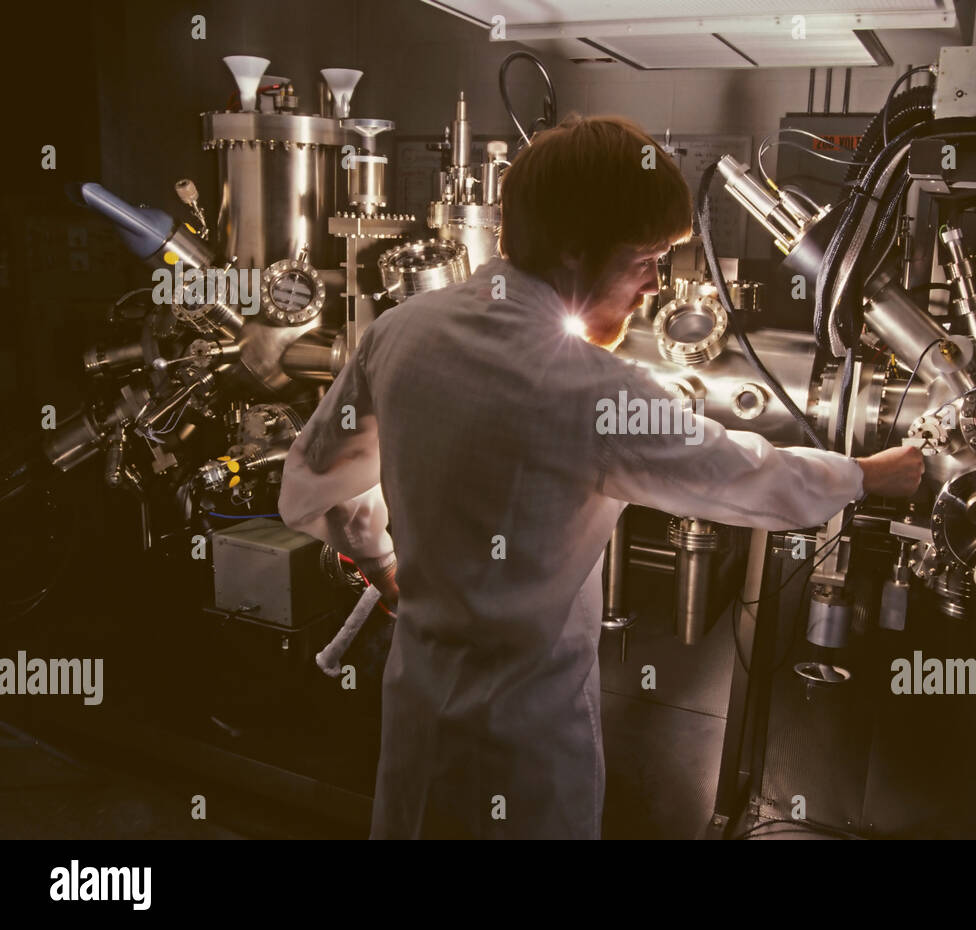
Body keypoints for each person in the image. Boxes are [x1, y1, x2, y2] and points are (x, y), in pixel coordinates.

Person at [278, 115, 923, 839]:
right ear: (578, 251)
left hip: (419, 708)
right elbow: (744, 475)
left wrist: (379, 558)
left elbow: (310, 482)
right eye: (645, 258)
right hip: (523, 749)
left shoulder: (399, 332)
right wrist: (867, 475)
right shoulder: (590, 389)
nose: (654, 284)